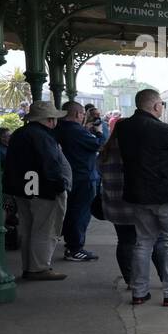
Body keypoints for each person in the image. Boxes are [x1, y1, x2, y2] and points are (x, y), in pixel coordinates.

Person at [115, 88, 168, 307]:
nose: (162, 107)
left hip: (140, 196)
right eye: (161, 104)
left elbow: (152, 145)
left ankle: (139, 293)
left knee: (143, 243)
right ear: (155, 106)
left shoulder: (123, 127)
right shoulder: (161, 130)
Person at [1, 100, 71, 281]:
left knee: (29, 228)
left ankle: (30, 266)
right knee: (45, 229)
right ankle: (39, 268)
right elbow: (50, 164)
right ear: (49, 120)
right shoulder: (43, 136)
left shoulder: (20, 133)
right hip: (44, 190)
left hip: (23, 189)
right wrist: (59, 185)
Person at [98, 124, 166, 287]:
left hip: (115, 206)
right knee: (157, 241)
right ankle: (167, 278)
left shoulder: (105, 152)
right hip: (137, 204)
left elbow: (98, 172)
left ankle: (131, 280)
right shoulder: (136, 150)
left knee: (125, 242)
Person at [55, 101, 107, 261]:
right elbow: (100, 144)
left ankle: (72, 244)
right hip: (83, 176)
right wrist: (99, 132)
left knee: (72, 211)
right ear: (78, 114)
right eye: (83, 114)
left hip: (71, 175)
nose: (84, 116)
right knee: (80, 213)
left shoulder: (60, 128)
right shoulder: (74, 130)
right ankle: (75, 248)